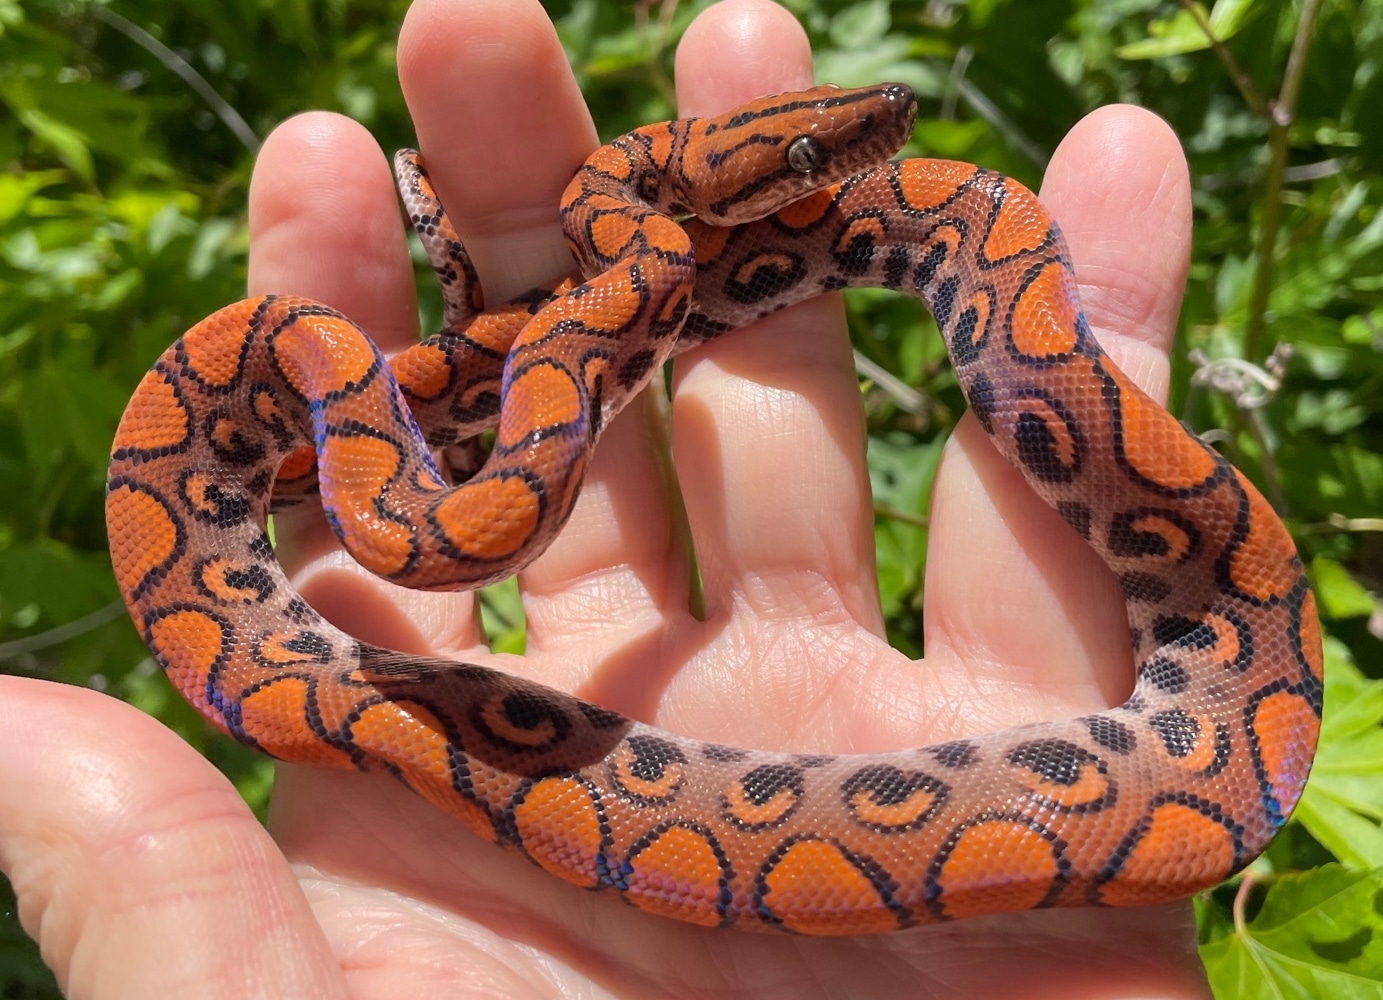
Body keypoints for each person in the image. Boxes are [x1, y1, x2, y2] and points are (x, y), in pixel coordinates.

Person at [0, 0, 1211, 995]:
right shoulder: (616, 287)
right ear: (698, 192)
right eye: (804, 160)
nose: (871, 132)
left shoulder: (628, 264)